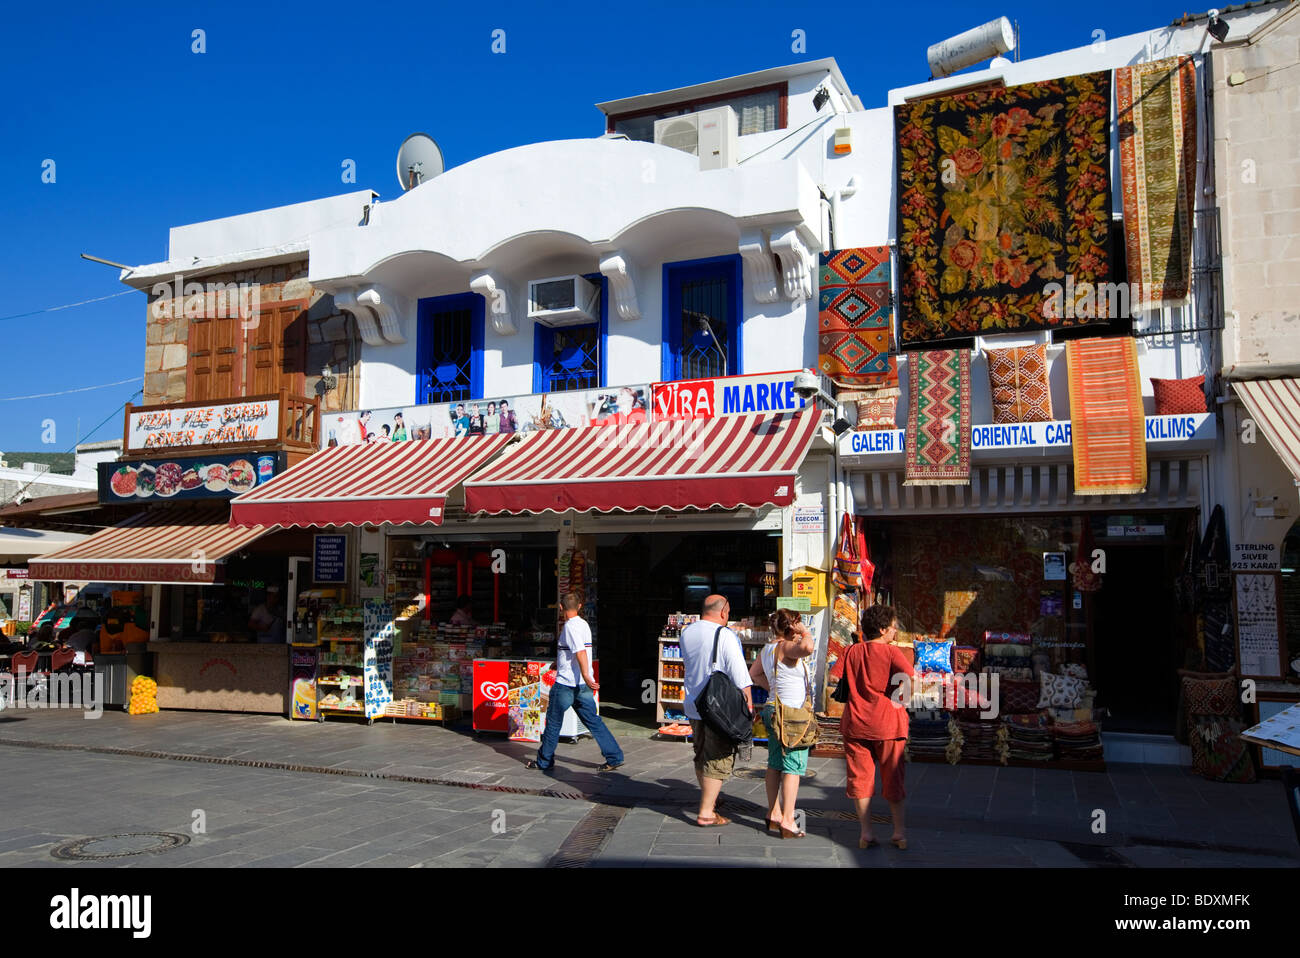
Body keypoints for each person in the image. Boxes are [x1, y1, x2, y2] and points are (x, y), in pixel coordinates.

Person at [839, 604, 914, 849]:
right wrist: (900, 698)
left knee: (859, 779)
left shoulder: (851, 651)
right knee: (893, 778)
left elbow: (835, 676)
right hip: (888, 724)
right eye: (893, 627)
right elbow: (909, 677)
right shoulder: (892, 652)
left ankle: (866, 833)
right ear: (882, 629)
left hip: (856, 723)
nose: (895, 631)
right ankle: (899, 833)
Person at [526, 593, 624, 772]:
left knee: (553, 722)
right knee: (593, 721)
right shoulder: (584, 624)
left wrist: (585, 674)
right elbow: (573, 652)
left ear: (560, 608)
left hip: (566, 684)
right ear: (579, 606)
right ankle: (614, 756)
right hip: (581, 686)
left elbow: (579, 651)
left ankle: (544, 761)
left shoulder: (570, 626)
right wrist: (560, 662)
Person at [680, 594, 752, 826]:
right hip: (719, 708)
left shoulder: (687, 632)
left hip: (695, 704)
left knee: (701, 753)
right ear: (723, 612)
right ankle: (706, 812)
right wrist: (748, 707)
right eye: (728, 612)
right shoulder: (725, 635)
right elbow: (740, 676)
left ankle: (710, 798)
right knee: (718, 756)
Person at [748, 608, 816, 838]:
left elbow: (754, 673)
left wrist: (773, 688)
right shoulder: (786, 647)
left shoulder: (767, 649)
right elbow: (808, 647)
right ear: (791, 627)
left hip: (773, 709)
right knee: (793, 766)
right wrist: (805, 632)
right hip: (791, 714)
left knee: (775, 763)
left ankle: (774, 813)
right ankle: (788, 820)